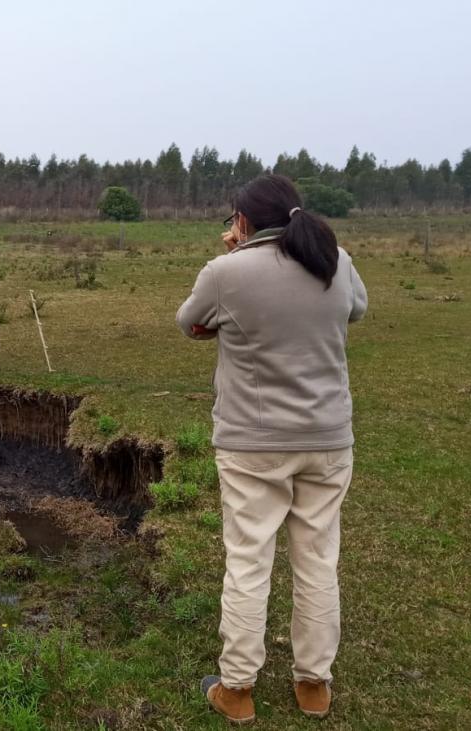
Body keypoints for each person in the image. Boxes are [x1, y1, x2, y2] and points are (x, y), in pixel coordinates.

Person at [176, 174, 368, 724]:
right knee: (318, 561)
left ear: (241, 221)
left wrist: (235, 262)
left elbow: (188, 322)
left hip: (251, 444)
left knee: (248, 561)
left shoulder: (225, 273)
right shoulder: (335, 259)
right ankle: (314, 685)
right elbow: (356, 310)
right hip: (328, 440)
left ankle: (236, 689)